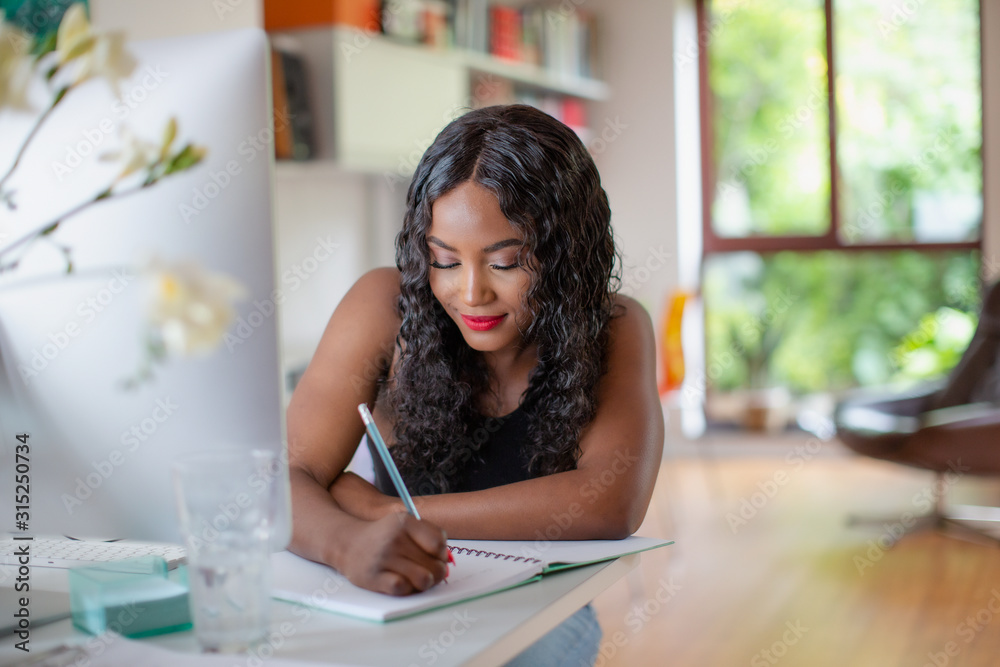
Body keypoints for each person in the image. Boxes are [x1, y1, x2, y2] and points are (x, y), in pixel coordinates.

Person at [286, 104, 664, 665]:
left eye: (506, 262)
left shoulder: (614, 326)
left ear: (566, 256)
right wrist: (347, 543)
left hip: (539, 609)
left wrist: (388, 516)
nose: (471, 293)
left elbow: (609, 502)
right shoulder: (383, 307)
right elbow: (283, 480)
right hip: (399, 595)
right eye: (443, 260)